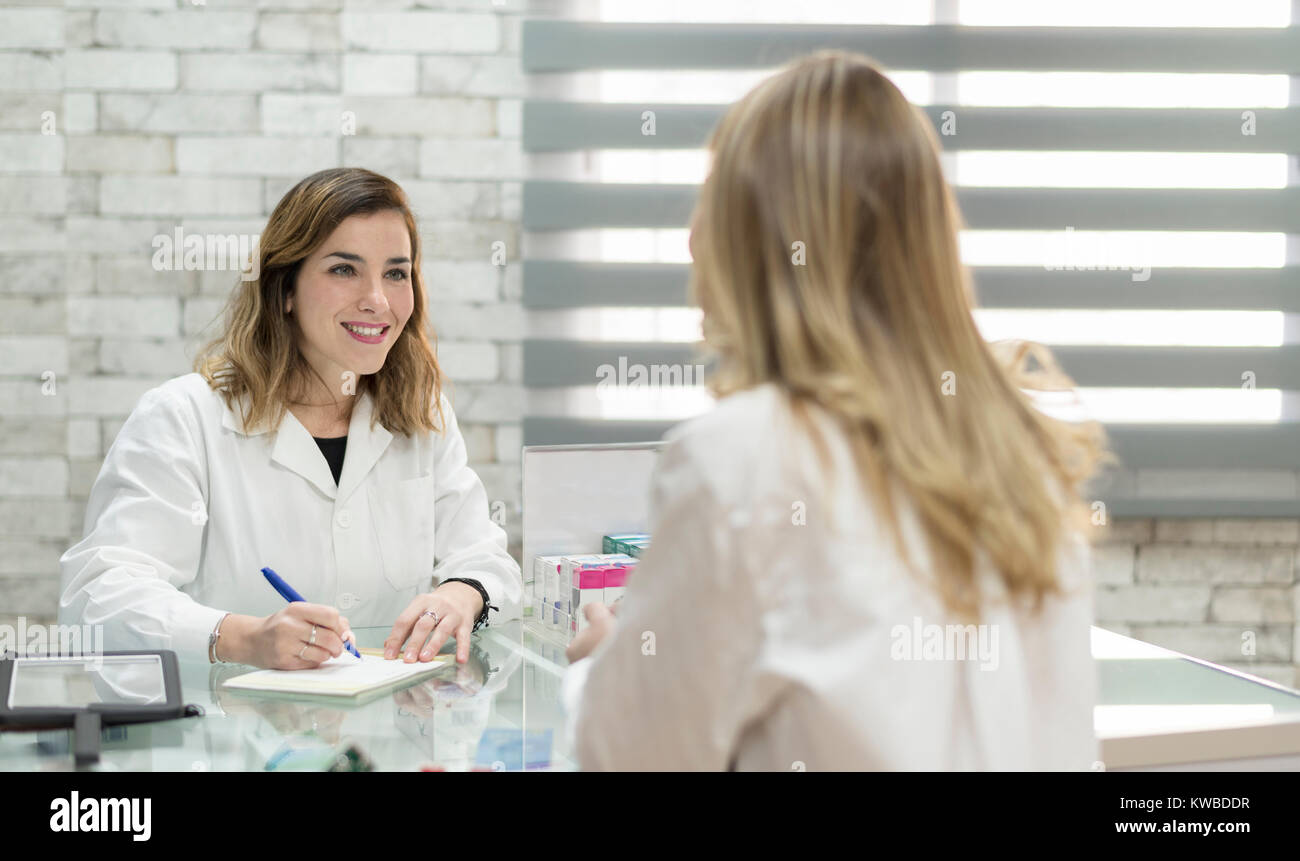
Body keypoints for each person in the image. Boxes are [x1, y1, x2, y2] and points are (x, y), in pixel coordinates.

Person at [562, 51, 1111, 770]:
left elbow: (628, 759)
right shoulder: (1020, 453)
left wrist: (602, 670)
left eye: (716, 204)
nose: (693, 238)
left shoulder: (743, 458)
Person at [60, 168, 522, 670]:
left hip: (390, 735)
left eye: (396, 272)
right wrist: (239, 637)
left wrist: (461, 593)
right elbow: (98, 598)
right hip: (229, 735)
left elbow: (486, 559)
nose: (379, 300)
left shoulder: (421, 415)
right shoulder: (183, 418)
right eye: (344, 269)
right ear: (284, 289)